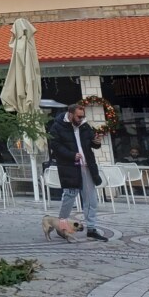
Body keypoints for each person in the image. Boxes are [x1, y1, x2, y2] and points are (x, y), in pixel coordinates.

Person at [47, 103, 108, 242]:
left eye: (83, 116)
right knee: (69, 195)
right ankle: (61, 226)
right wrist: (71, 155)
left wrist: (97, 142)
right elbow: (54, 145)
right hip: (69, 166)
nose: (81, 119)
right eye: (79, 116)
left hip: (87, 166)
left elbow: (93, 143)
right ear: (70, 113)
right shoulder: (57, 126)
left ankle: (91, 228)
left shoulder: (85, 125)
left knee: (91, 198)